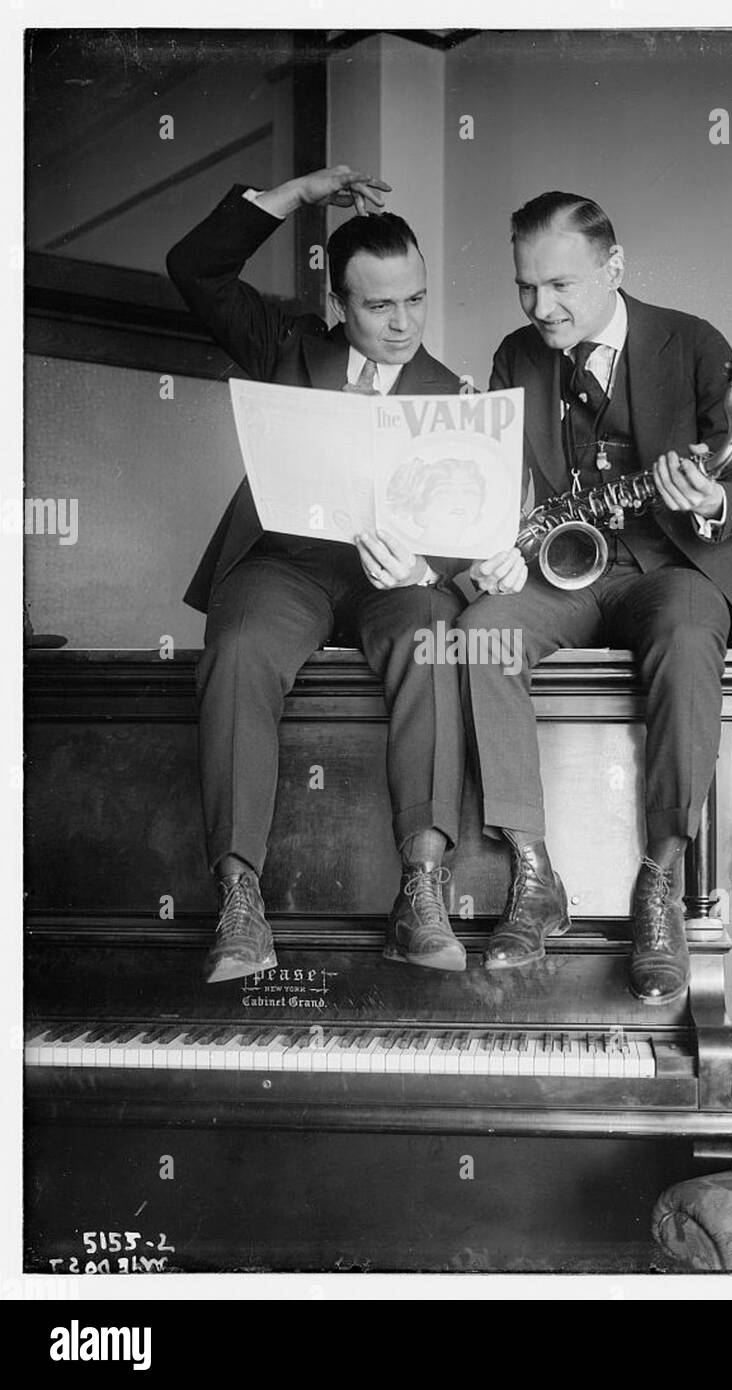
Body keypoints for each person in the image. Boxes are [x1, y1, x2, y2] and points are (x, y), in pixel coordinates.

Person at [166, 165, 522, 982]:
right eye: (378, 305)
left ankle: (422, 887)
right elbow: (195, 269)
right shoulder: (288, 348)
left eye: (415, 300)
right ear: (337, 304)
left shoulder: (459, 398)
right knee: (241, 646)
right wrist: (296, 194)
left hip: (397, 584)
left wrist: (431, 564)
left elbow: (486, 543)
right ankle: (239, 901)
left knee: (436, 634)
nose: (404, 324)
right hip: (285, 568)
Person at [453, 190, 732, 1001]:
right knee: (482, 629)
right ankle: (535, 877)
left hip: (669, 567)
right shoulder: (515, 356)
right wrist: (489, 550)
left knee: (689, 625)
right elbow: (494, 489)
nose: (541, 306)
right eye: (526, 286)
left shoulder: (696, 345)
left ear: (614, 269)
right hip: (563, 572)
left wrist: (711, 501)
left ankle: (659, 882)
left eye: (561, 285)